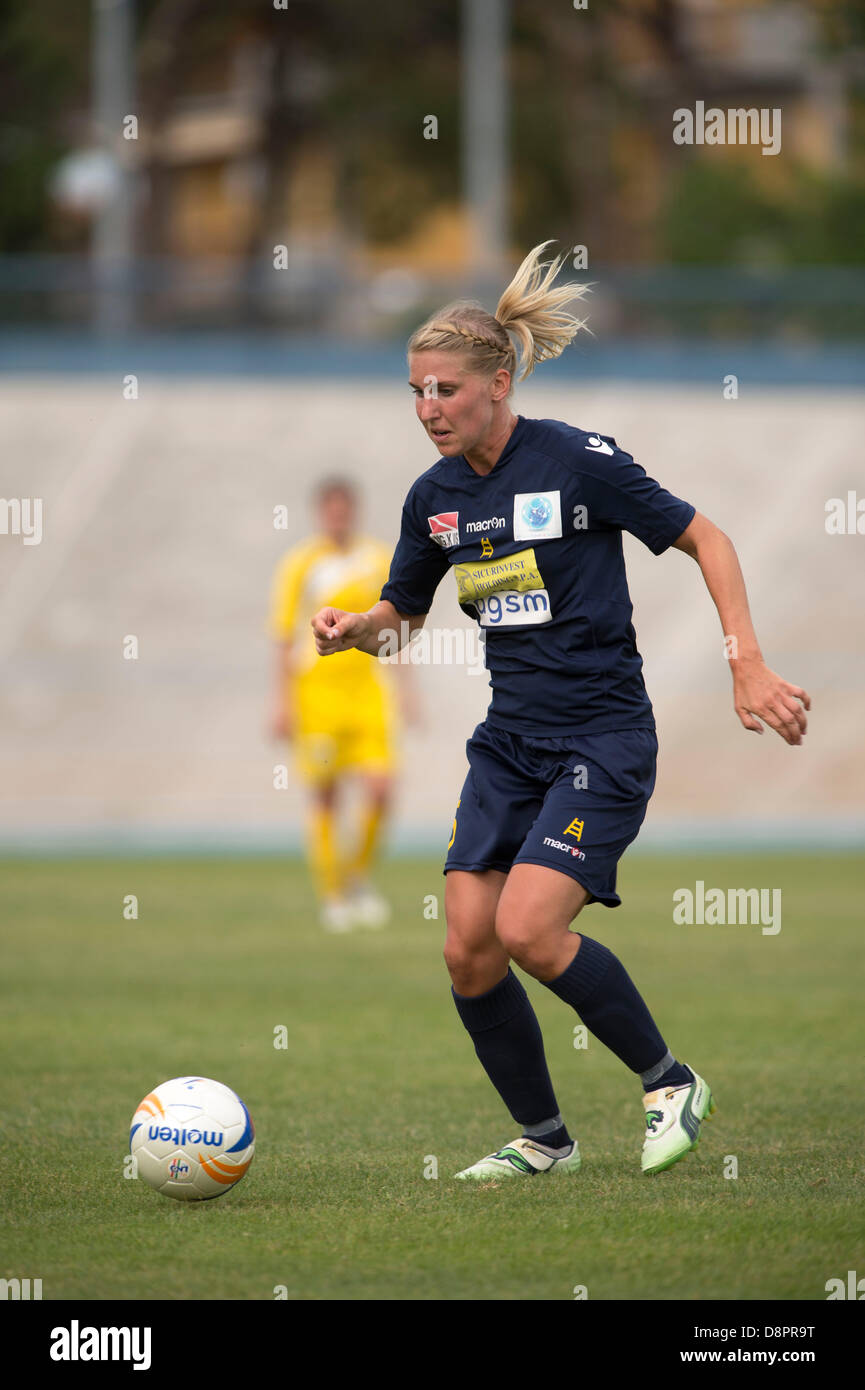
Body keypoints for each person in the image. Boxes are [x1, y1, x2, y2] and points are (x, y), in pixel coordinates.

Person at [309, 242, 810, 1177]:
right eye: (415, 392)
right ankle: (546, 1142)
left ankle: (669, 1081)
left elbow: (707, 537)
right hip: (508, 744)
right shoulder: (435, 499)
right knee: (467, 950)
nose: (428, 410)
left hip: (603, 737)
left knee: (528, 929)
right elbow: (402, 618)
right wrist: (356, 631)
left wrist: (747, 664)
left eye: (446, 390)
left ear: (499, 381)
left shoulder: (577, 461)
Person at [270, 477, 408, 932]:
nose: (338, 517)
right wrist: (281, 703)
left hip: (367, 692)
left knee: (382, 789)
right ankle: (333, 896)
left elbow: (396, 627)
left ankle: (357, 880)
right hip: (318, 697)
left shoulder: (376, 558)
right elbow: (282, 637)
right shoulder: (300, 565)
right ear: (320, 513)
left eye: (344, 509)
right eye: (330, 510)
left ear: (354, 511)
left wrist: (406, 690)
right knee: (327, 796)